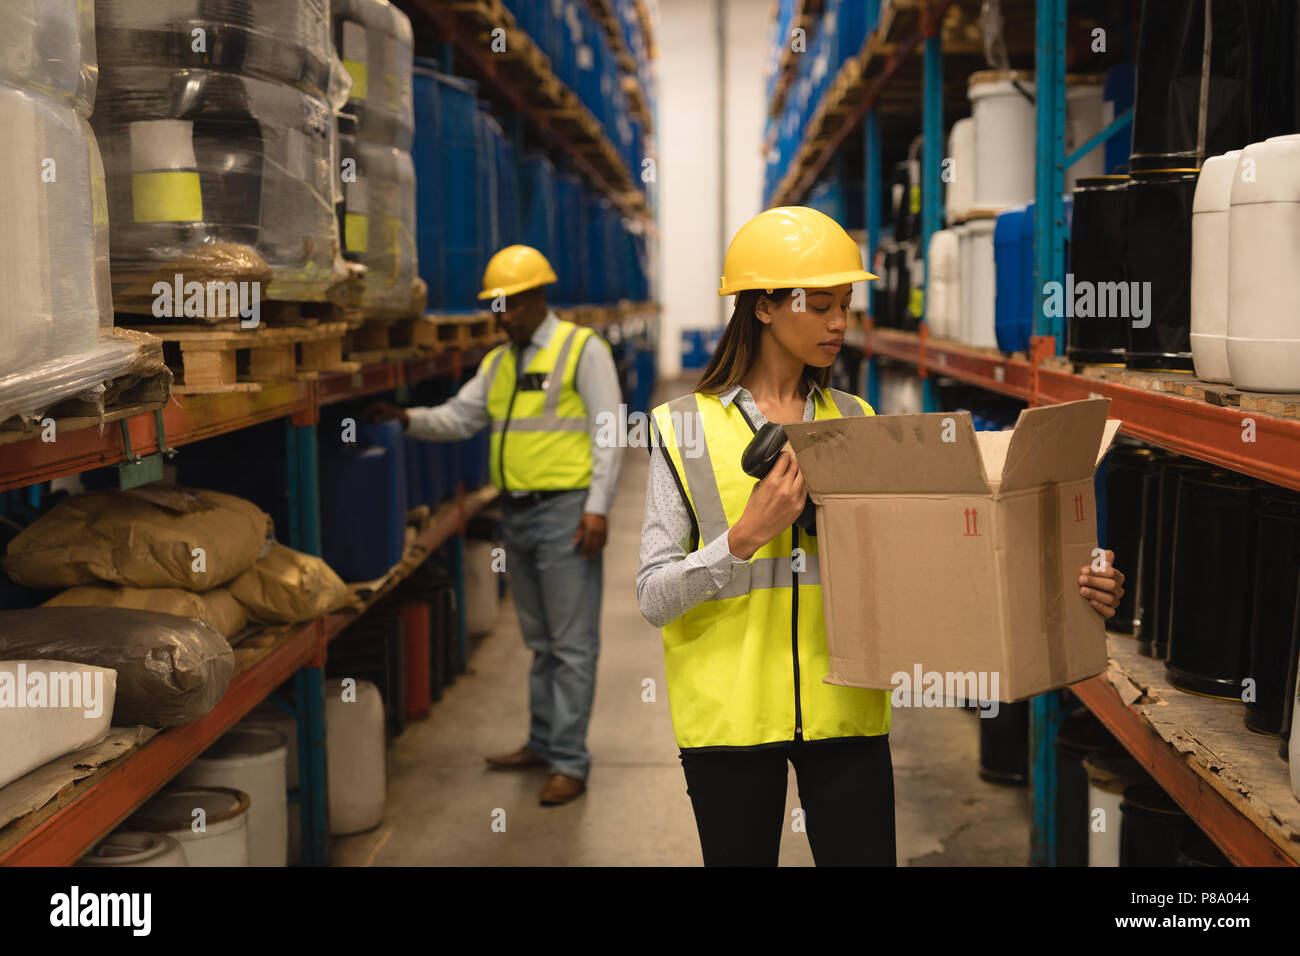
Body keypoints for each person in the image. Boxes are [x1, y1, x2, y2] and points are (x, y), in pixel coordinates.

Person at [636, 207, 1126, 865]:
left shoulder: (858, 421)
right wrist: (744, 537)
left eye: (847, 303)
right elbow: (653, 596)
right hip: (728, 723)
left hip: (848, 715)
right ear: (762, 307)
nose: (841, 322)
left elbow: (937, 568)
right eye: (822, 304)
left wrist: (1065, 584)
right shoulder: (681, 428)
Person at [367, 244, 623, 806]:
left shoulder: (582, 350)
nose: (500, 314)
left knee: (572, 644)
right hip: (517, 512)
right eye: (496, 305)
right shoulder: (501, 363)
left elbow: (608, 431)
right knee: (540, 641)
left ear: (537, 297)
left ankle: (570, 762)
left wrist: (598, 506)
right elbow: (461, 416)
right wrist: (406, 418)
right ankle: (541, 741)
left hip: (566, 513)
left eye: (509, 303)